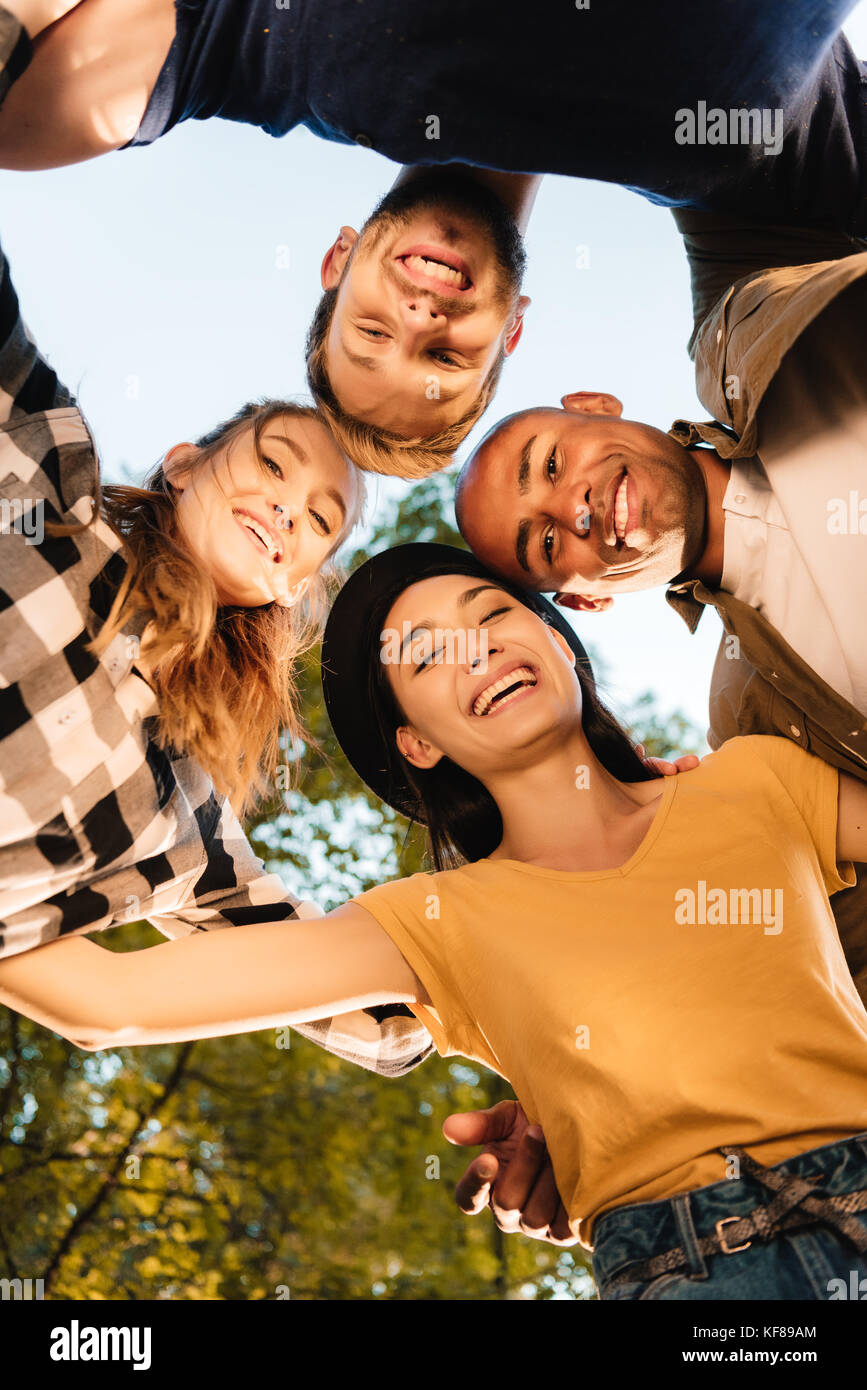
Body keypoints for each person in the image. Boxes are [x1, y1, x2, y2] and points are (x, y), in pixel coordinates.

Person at [3, 543, 866, 1299]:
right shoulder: (432, 922)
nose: (477, 647)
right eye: (425, 656)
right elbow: (103, 998)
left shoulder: (757, 780)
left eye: (491, 612)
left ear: (560, 643)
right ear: (417, 742)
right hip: (690, 1276)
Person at [0, 92, 437, 1076]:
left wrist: (486, 1017)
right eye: (275, 464)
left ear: (293, 587)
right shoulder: (43, 479)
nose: (288, 508)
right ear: (188, 462)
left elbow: (368, 1010)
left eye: (318, 521)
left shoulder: (183, 811)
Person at [1, 0, 866, 465]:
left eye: (371, 331)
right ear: (511, 328)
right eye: (447, 360)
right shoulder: (733, 176)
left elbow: (33, 97)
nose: (418, 323)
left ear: (339, 262)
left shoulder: (262, 51)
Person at [455, 210, 867, 1023]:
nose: (567, 506)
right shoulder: (752, 735)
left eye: (549, 462)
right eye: (541, 542)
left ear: (595, 404)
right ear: (583, 598)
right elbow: (838, 968)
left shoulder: (746, 336)